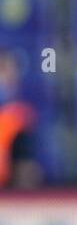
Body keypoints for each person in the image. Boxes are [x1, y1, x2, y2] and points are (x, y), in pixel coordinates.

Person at [0, 51, 41, 189]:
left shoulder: (18, 116)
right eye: (3, 70)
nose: (9, 77)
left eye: (12, 71)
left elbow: (27, 170)